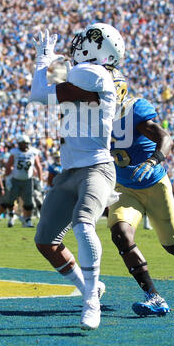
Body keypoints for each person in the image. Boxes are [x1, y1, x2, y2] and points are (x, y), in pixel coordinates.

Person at [30, 24, 123, 330]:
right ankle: (89, 288)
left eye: (91, 39)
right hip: (69, 171)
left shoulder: (96, 75)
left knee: (84, 225)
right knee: (45, 242)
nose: (81, 43)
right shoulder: (84, 78)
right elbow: (39, 94)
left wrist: (47, 62)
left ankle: (91, 304)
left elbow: (42, 93)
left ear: (102, 50)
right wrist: (42, 61)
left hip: (97, 168)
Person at [107, 67, 174, 317]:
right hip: (125, 188)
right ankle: (153, 296)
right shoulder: (93, 117)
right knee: (120, 233)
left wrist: (153, 160)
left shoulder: (134, 110)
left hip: (154, 183)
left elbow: (165, 137)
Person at [0, 135, 42, 228]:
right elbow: (8, 166)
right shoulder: (14, 152)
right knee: (11, 200)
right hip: (15, 179)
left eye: (22, 144)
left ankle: (28, 220)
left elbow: (38, 166)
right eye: (20, 144)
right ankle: (11, 217)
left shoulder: (33, 152)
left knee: (28, 202)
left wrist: (40, 180)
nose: (21, 145)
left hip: (28, 180)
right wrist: (7, 178)